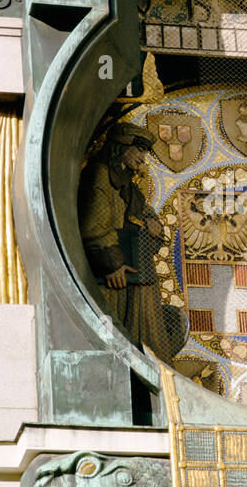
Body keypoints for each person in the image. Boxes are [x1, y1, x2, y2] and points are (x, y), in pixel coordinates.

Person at [79, 124, 186, 363]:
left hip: (137, 277)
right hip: (115, 277)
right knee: (116, 341)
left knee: (144, 339)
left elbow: (144, 216)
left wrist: (152, 225)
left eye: (145, 151)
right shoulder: (99, 174)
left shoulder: (131, 187)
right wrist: (112, 263)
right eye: (138, 149)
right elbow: (93, 226)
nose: (142, 156)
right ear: (120, 148)